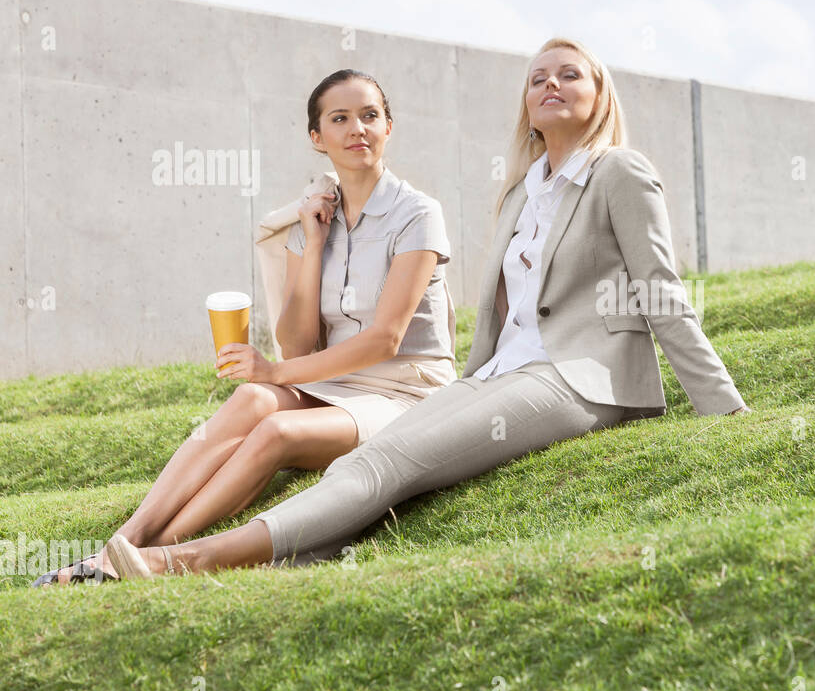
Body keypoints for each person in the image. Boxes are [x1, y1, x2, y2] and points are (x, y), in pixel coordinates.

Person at [98, 37, 749, 582]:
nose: (550, 84)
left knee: (387, 462)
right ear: (526, 109)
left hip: (578, 377)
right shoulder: (523, 193)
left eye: (569, 75)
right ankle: (289, 551)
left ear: (599, 96)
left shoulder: (619, 173)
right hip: (500, 374)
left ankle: (181, 561)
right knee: (361, 465)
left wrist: (724, 408)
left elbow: (661, 292)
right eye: (536, 79)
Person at [34, 70, 455, 586]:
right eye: (339, 118)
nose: (358, 128)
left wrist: (276, 370)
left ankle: (147, 558)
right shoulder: (315, 220)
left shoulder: (417, 213)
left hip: (404, 393)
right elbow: (298, 342)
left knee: (276, 425)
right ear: (316, 138)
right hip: (336, 387)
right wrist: (315, 242)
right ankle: (122, 541)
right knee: (253, 399)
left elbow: (385, 339)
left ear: (389, 126)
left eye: (370, 115)